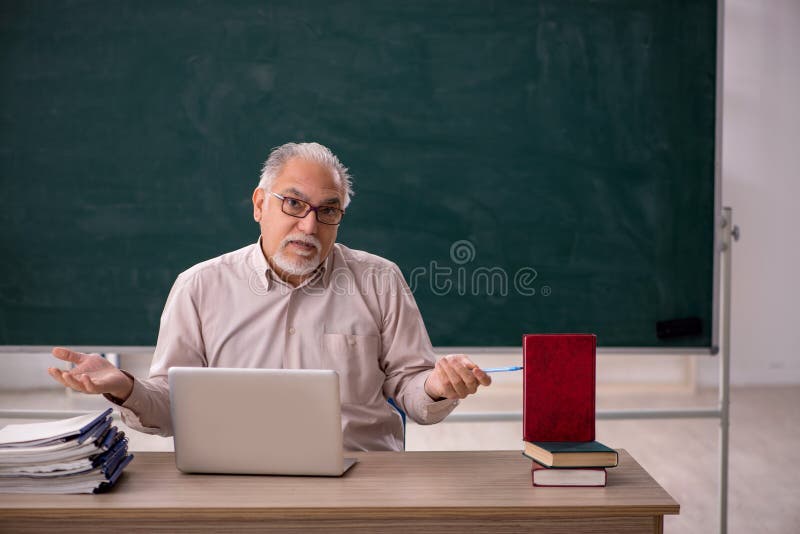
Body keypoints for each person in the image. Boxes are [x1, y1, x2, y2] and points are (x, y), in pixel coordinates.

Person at [48, 142, 491, 451]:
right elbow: (169, 409)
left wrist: (436, 385)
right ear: (259, 204)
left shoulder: (380, 280)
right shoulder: (200, 286)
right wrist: (126, 388)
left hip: (365, 482)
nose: (309, 226)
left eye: (328, 210)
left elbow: (413, 392)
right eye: (293, 204)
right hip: (233, 483)